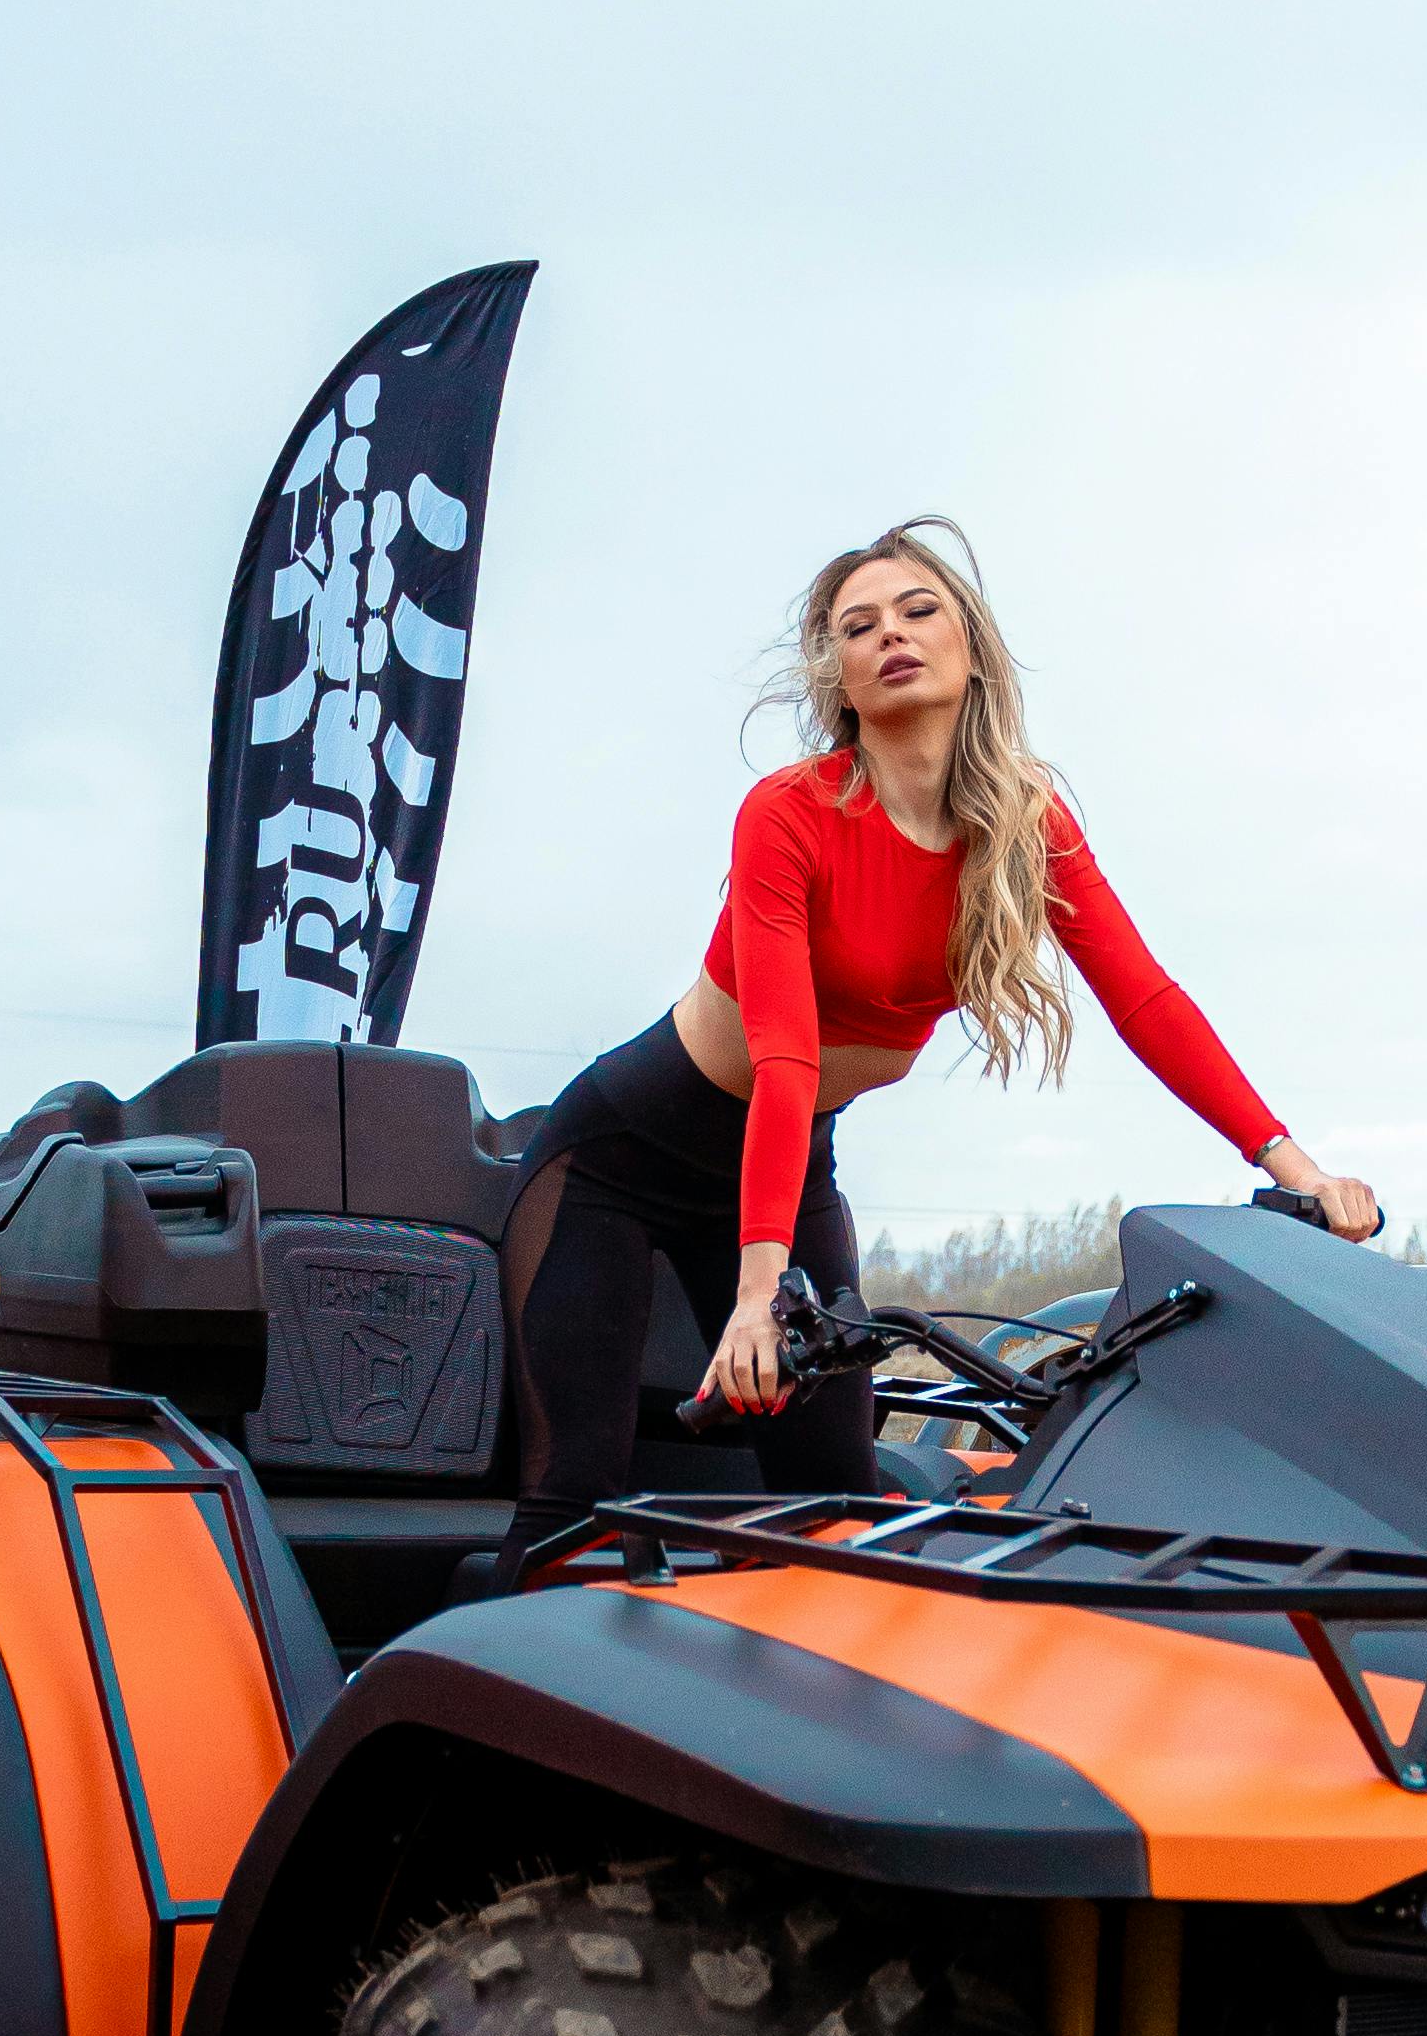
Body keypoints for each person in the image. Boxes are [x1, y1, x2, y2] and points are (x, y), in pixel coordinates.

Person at [499, 517, 1378, 1564]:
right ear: (837, 676)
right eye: (858, 625)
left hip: (791, 1162)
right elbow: (787, 1056)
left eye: (919, 610)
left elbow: (1145, 999)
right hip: (617, 1163)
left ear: (972, 645)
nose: (892, 633)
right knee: (575, 1501)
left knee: (837, 1508)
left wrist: (1294, 1166)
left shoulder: (1025, 824)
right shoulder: (788, 814)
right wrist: (757, 1293)